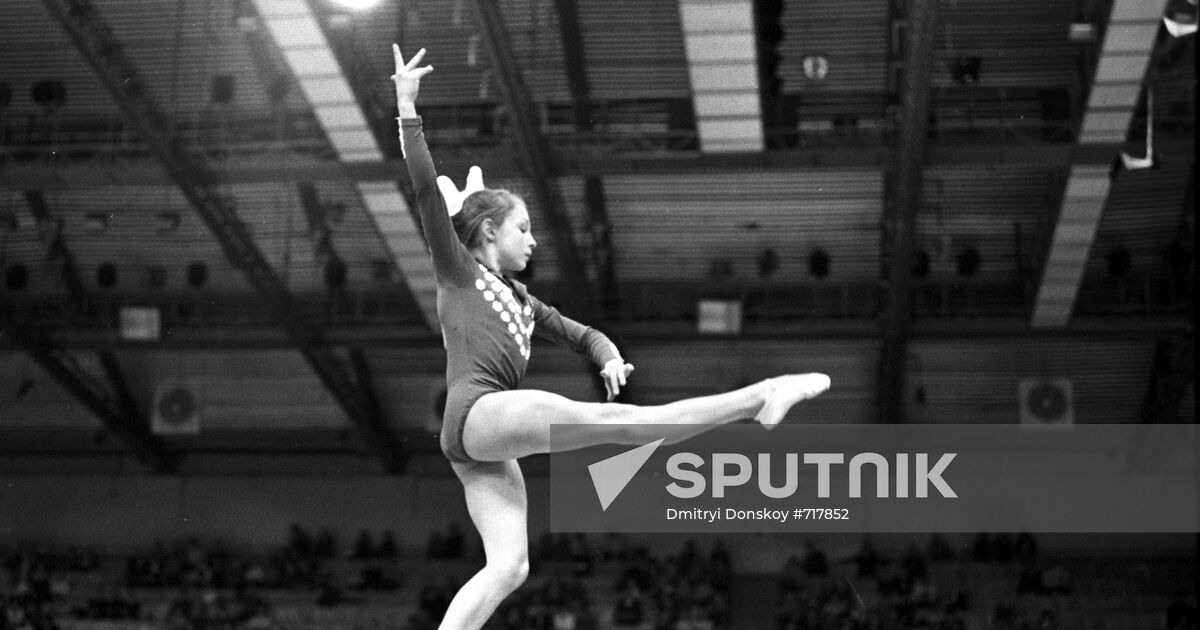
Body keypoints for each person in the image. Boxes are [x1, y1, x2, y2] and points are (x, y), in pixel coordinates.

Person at [391, 44, 831, 630]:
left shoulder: (524, 301)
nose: (534, 240)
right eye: (524, 229)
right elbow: (426, 192)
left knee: (510, 566)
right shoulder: (459, 272)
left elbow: (583, 334)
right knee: (621, 424)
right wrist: (408, 110)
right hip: (478, 409)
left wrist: (609, 355)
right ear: (490, 232)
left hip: (477, 439)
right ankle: (761, 395)